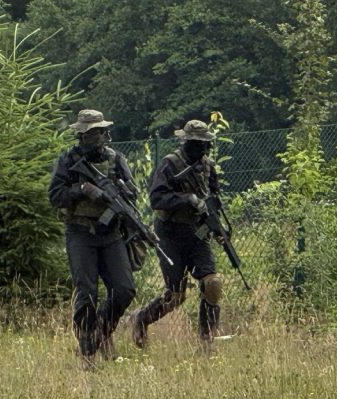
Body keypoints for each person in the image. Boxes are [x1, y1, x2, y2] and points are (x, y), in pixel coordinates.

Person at [48, 109, 138, 368]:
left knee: (124, 290)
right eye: (93, 132)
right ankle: (87, 350)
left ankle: (102, 331)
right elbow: (55, 195)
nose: (99, 137)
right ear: (82, 135)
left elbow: (132, 193)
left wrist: (122, 192)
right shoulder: (68, 160)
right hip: (80, 232)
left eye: (101, 131)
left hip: (110, 234)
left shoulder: (116, 159)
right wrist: (84, 190)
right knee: (86, 292)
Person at [129, 119, 224, 349]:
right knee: (176, 295)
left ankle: (206, 343)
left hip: (198, 234)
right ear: (187, 143)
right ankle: (141, 318)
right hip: (170, 233)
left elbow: (213, 201)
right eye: (198, 144)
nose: (202, 149)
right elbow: (156, 199)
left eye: (205, 145)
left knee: (212, 284)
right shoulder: (170, 164)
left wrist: (218, 228)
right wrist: (187, 200)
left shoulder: (208, 167)